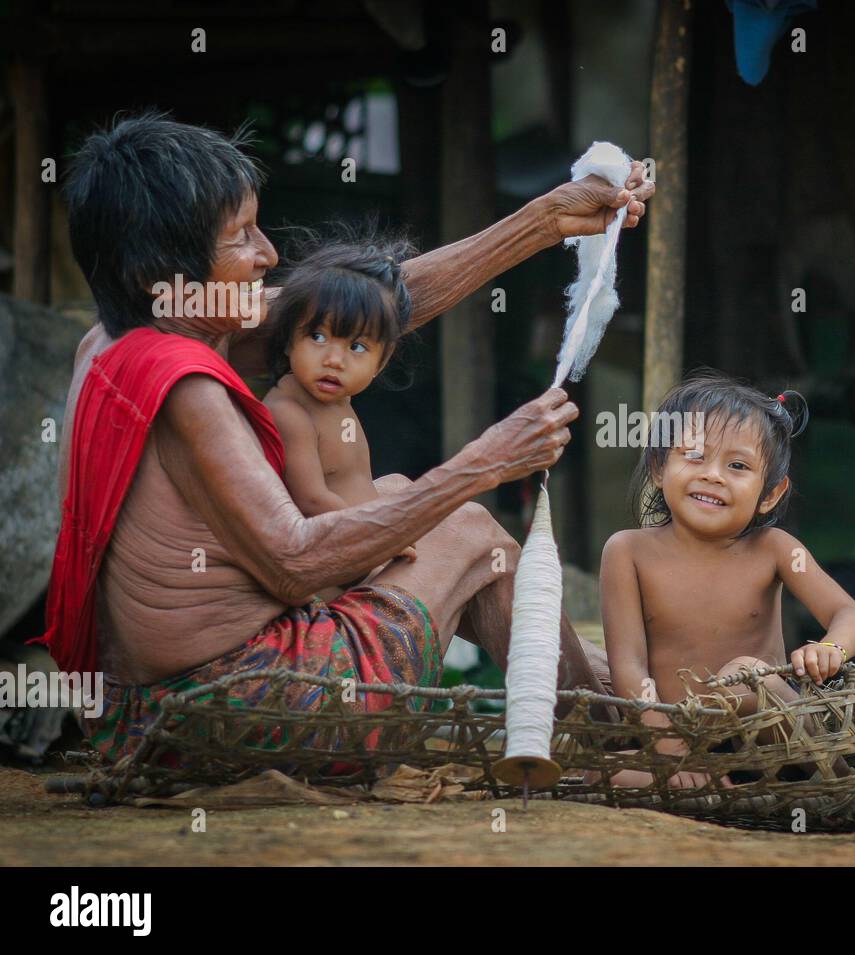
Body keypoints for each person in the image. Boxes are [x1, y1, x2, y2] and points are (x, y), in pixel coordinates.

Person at [36, 112, 653, 760]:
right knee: (468, 530)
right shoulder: (185, 389)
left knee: (393, 495)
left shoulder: (118, 338)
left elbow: (364, 304)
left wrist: (546, 220)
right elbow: (295, 563)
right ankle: (611, 740)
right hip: (236, 708)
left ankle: (611, 694)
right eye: (240, 237)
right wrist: (484, 463)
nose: (268, 254)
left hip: (139, 713)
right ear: (161, 272)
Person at [598, 371, 855, 788]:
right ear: (658, 467)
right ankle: (709, 785)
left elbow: (849, 612)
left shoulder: (776, 549)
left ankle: (839, 784)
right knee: (592, 769)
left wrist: (831, 647)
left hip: (772, 736)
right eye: (694, 455)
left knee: (747, 672)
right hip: (678, 734)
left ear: (770, 494)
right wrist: (669, 750)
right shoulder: (627, 551)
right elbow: (629, 667)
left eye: (738, 466)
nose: (713, 475)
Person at [261, 236, 423, 591]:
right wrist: (383, 537)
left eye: (357, 346)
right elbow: (311, 500)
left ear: (381, 361)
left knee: (407, 490)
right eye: (318, 337)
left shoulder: (337, 401)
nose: (334, 359)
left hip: (363, 542)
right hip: (338, 567)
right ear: (289, 339)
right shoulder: (288, 411)